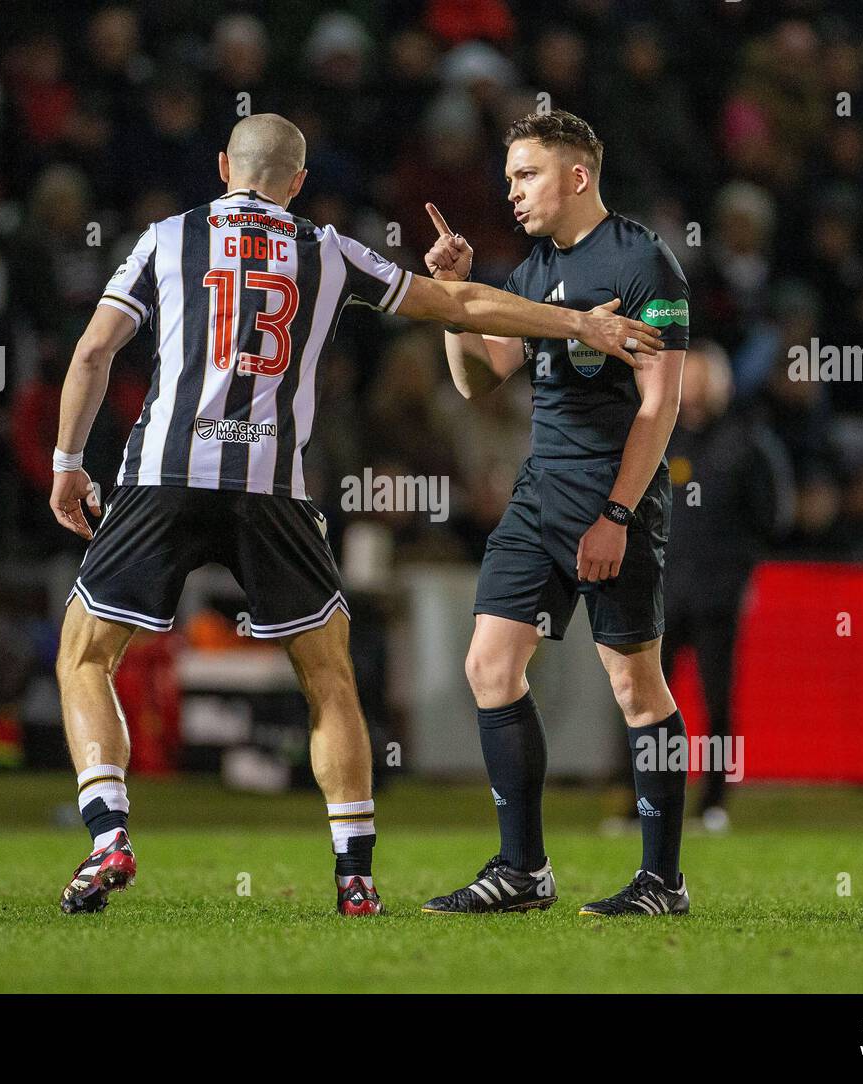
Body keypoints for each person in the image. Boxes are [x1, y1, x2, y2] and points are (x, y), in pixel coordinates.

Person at [49, 112, 660, 917]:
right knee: (330, 677)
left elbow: (94, 352)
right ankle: (355, 874)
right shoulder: (328, 249)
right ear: (298, 183)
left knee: (86, 656)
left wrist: (67, 464)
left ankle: (109, 836)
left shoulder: (165, 239)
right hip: (273, 485)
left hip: (165, 472)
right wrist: (579, 321)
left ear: (225, 164)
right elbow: (462, 303)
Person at [419, 110, 693, 917]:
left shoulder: (643, 261)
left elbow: (659, 407)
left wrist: (616, 512)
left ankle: (662, 882)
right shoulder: (534, 268)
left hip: (616, 499)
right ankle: (522, 870)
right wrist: (452, 300)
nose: (512, 192)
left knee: (636, 687)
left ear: (577, 176)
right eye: (509, 178)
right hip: (540, 491)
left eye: (526, 175)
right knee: (489, 665)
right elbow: (479, 381)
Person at [613, 342, 794, 833]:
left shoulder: (746, 441)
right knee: (643, 697)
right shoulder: (656, 435)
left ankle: (713, 803)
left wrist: (740, 568)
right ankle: (642, 802)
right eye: (687, 375)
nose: (693, 386)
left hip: (717, 594)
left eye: (703, 377)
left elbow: (774, 515)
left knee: (716, 702)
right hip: (659, 596)